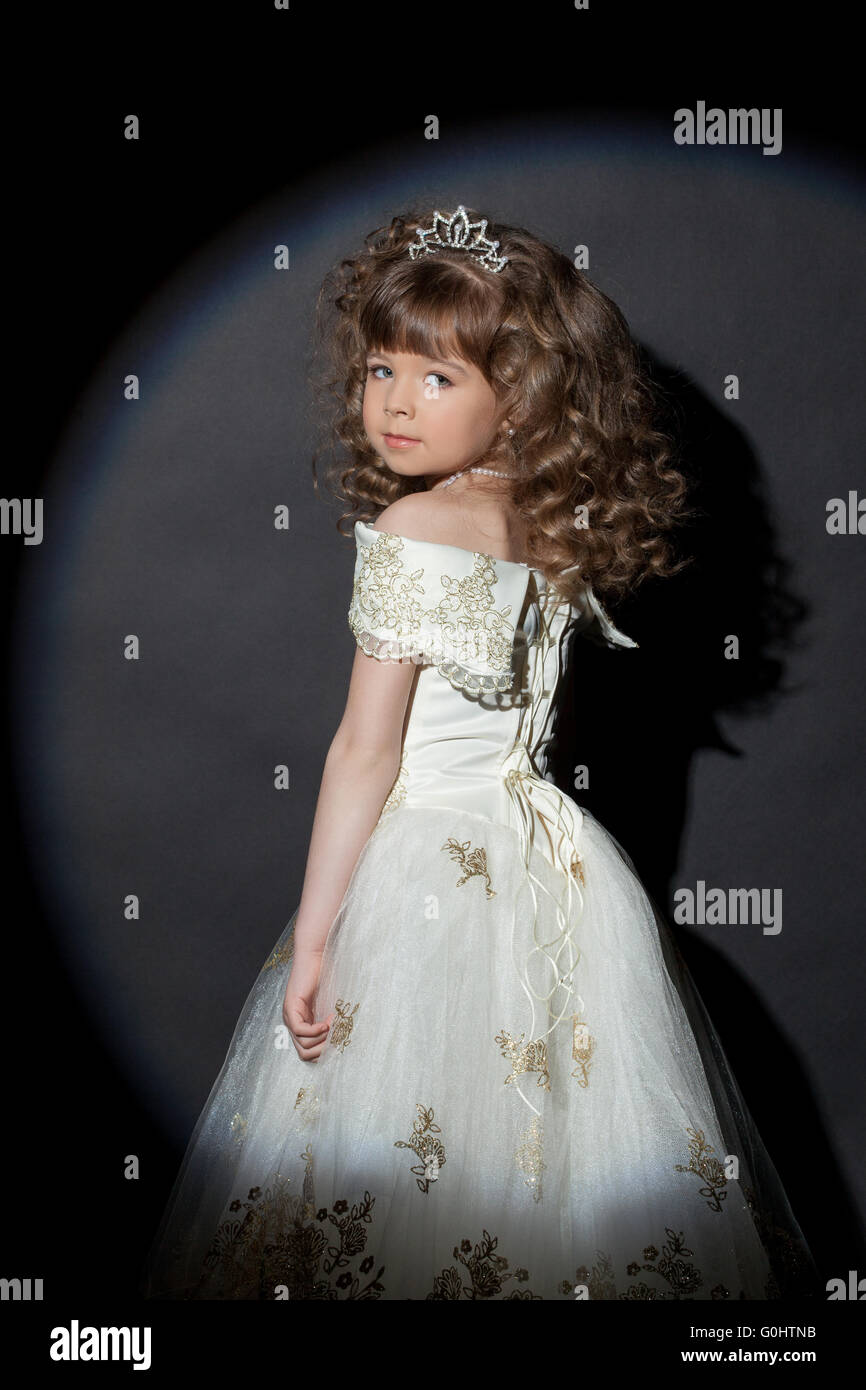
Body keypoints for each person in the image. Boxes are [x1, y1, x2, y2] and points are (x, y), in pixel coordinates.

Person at [140, 203, 818, 1301]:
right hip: (557, 862)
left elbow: (366, 748)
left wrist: (313, 939)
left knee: (402, 1168)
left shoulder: (415, 528)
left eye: (437, 378)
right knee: (546, 1169)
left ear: (524, 401)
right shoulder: (558, 522)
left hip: (428, 868)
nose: (395, 403)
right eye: (379, 369)